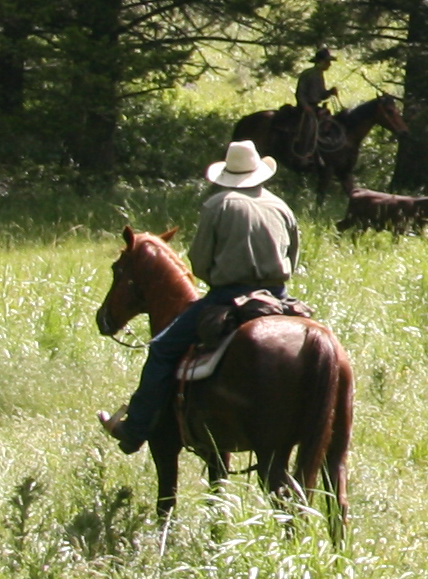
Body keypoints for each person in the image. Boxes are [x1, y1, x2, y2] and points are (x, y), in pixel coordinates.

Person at [101, 138, 301, 453]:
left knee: (162, 350)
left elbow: (201, 263)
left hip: (229, 295)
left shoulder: (217, 205)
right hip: (278, 295)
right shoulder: (281, 206)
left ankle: (135, 428)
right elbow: (294, 257)